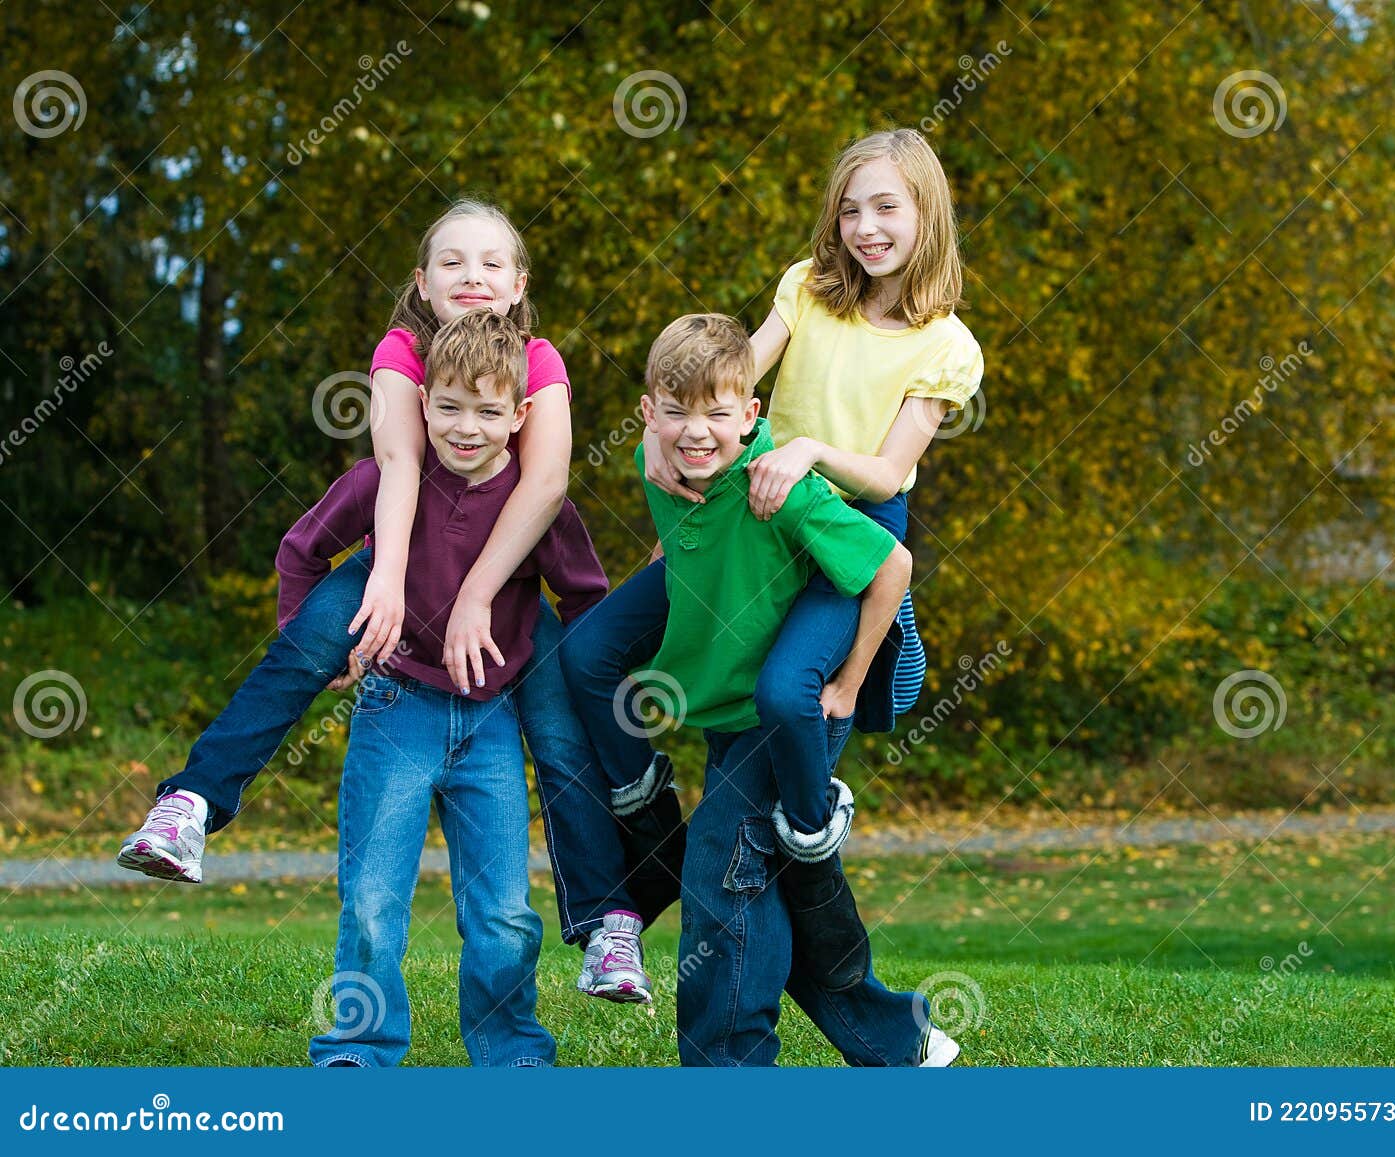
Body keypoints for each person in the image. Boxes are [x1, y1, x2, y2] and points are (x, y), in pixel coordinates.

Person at [117, 199, 662, 1002]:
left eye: (490, 263)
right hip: (399, 554)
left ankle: (611, 924)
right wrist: (383, 579)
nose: (471, 275)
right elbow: (395, 467)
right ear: (421, 282)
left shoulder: (538, 360)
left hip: (508, 592)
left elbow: (543, 486)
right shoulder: (403, 350)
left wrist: (496, 603)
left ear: (518, 284)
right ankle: (190, 804)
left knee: (561, 729)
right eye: (451, 261)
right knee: (307, 643)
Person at [563, 128, 984, 989]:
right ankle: (651, 820)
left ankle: (814, 820)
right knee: (588, 653)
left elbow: (890, 469)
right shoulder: (807, 287)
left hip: (848, 524)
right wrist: (671, 427)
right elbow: (732, 375)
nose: (866, 226)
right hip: (752, 506)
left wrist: (809, 452)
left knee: (782, 693)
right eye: (850, 207)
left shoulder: (948, 345)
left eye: (887, 207)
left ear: (925, 214)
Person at [584, 312, 958, 1065]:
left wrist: (851, 681)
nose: (696, 433)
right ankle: (898, 1042)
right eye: (676, 412)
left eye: (718, 414)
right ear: (649, 413)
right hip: (733, 702)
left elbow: (892, 565)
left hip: (795, 703)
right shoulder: (658, 462)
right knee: (758, 881)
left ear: (752, 414)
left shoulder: (781, 488)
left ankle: (729, 1069)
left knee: (723, 872)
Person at [289, 310, 575, 1065]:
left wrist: (592, 696)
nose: (467, 427)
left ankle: (512, 1050)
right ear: (423, 406)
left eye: (488, 412)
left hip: (491, 721)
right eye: (449, 406)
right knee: (376, 900)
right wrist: (316, 648)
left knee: (504, 911)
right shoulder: (388, 483)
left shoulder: (535, 502)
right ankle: (358, 1046)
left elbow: (584, 600)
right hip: (395, 709)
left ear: (520, 416)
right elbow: (302, 550)